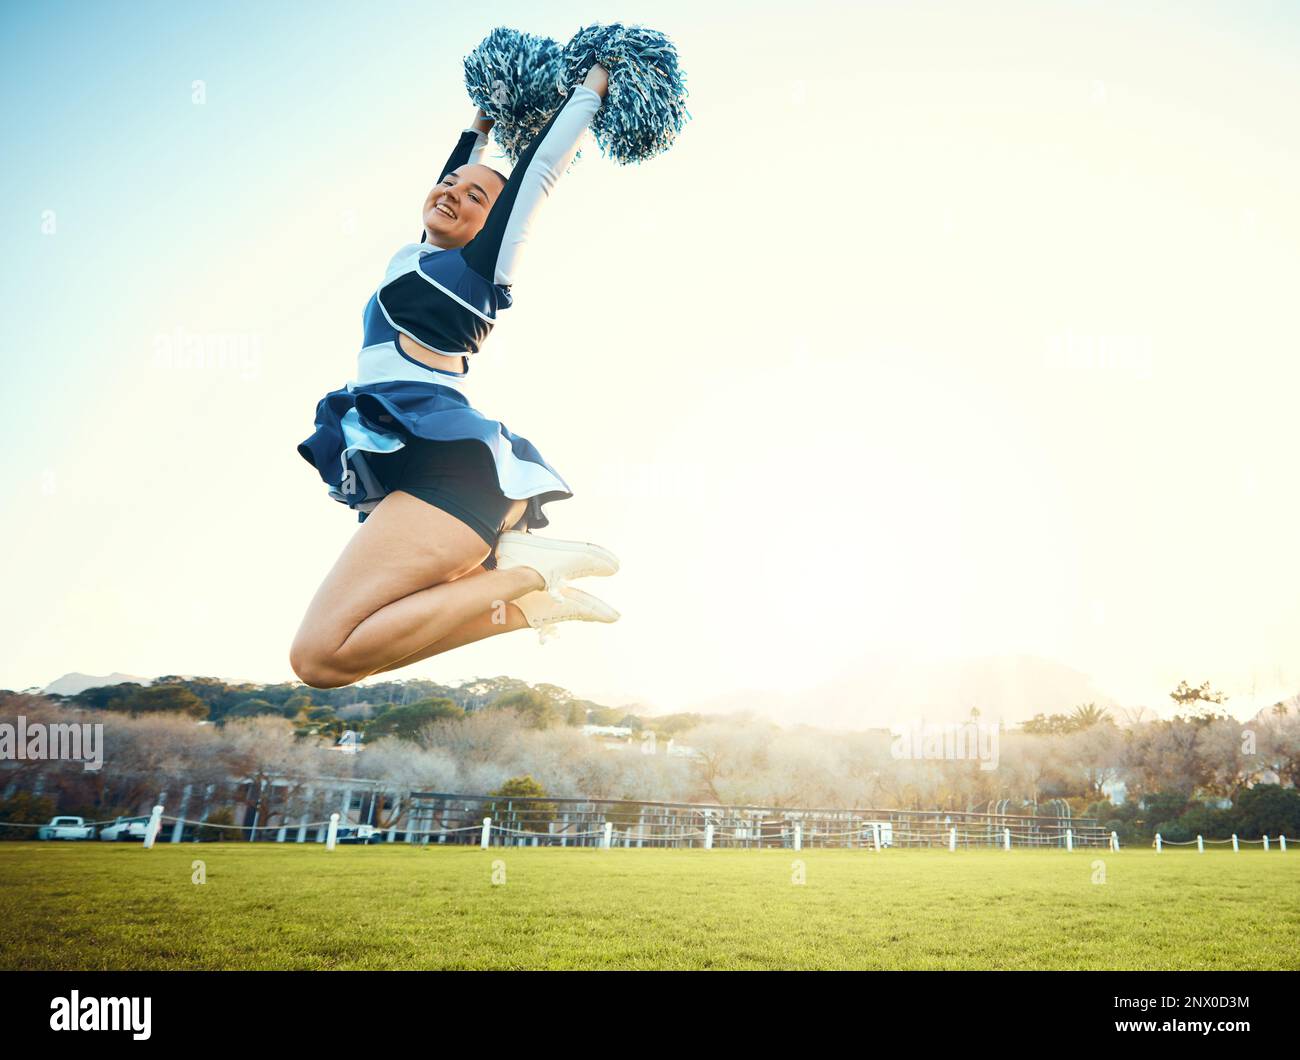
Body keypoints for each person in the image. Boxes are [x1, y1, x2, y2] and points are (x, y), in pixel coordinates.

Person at [291, 65, 619, 690]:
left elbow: (539, 173)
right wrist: (478, 127)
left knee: (317, 657)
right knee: (336, 660)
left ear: (493, 226)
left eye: (476, 197)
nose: (453, 193)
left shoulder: (477, 276)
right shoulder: (420, 257)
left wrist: (593, 85)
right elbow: (451, 183)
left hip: (454, 472)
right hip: (444, 477)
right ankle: (528, 605)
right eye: (450, 183)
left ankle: (528, 574)